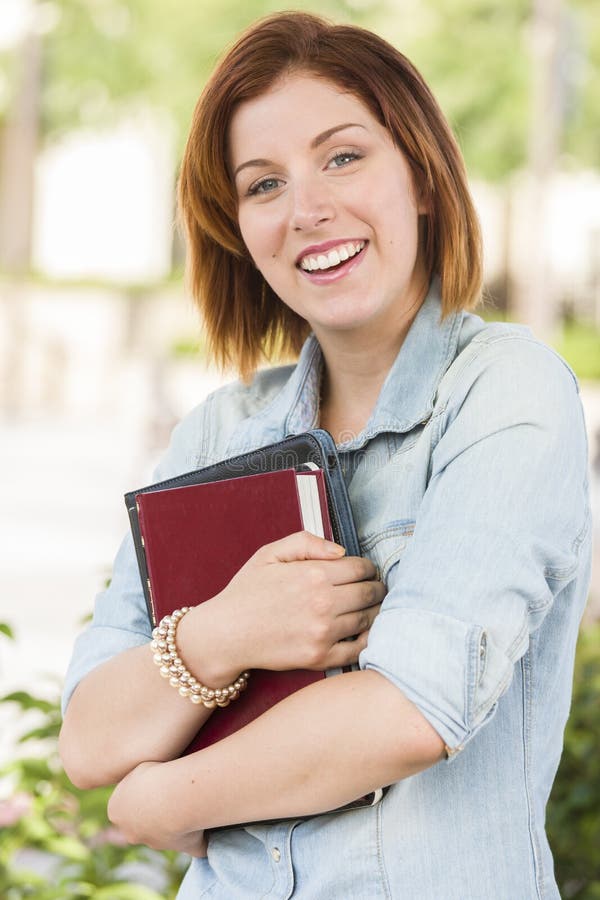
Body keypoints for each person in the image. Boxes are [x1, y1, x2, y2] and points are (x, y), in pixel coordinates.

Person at [58, 11, 592, 899]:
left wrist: (158, 799)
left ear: (421, 174)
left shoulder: (505, 392)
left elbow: (409, 713)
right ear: (239, 226)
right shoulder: (218, 432)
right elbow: (90, 738)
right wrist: (227, 630)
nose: (308, 209)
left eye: (343, 157)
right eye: (263, 184)